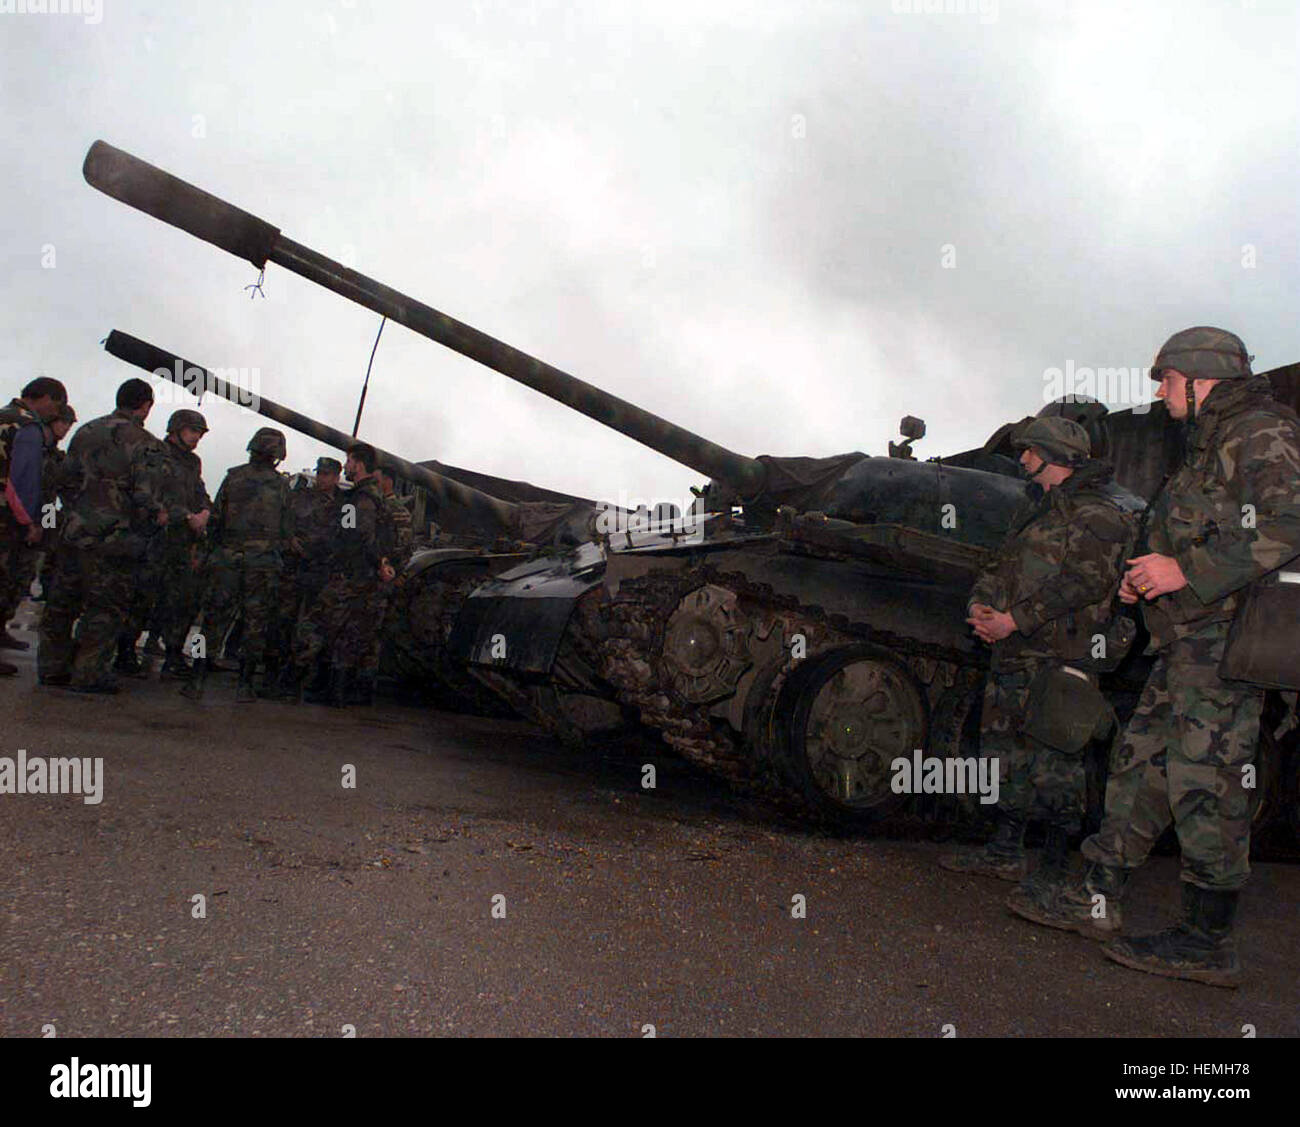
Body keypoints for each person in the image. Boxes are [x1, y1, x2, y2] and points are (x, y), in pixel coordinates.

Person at [1010, 327, 1300, 988]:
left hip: (1228, 640)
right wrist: (1144, 576)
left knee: (1208, 780)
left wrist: (1187, 570)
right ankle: (1100, 894)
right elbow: (1191, 530)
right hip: (1188, 640)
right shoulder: (1210, 442)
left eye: (1167, 379)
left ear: (1202, 379)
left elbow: (1290, 520)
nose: (1160, 392)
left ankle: (1207, 938)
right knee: (1139, 763)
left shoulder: (1260, 432)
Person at [940, 416, 1136, 906]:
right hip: (1015, 651)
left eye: (1030, 451)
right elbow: (997, 565)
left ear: (1055, 456)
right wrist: (980, 607)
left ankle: (1054, 869)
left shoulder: (1100, 516)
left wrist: (1017, 619)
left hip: (1061, 654)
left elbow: (1085, 583)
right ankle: (1006, 850)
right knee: (1005, 750)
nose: (1022, 459)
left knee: (1057, 761)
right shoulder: (1036, 510)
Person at [37, 379, 167, 692]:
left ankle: (52, 669)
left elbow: (63, 478)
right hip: (115, 539)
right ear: (146, 406)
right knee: (104, 609)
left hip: (74, 532)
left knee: (61, 603)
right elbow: (146, 498)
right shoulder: (147, 444)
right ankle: (89, 673)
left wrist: (77, 511)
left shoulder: (85, 432)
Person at [281, 443, 393, 705]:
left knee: (313, 626)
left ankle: (289, 685)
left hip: (348, 574)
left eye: (350, 461)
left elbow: (355, 535)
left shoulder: (359, 499)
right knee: (348, 636)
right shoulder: (372, 497)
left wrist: (333, 556)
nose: (347, 467)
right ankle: (336, 693)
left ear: (359, 463)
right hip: (362, 575)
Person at [187, 427, 293, 702]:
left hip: (228, 558)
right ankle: (244, 685)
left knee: (211, 622)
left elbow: (217, 518)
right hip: (263, 562)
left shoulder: (234, 477)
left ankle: (196, 678)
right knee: (255, 625)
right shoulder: (281, 486)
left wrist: (212, 552)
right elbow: (287, 527)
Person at [1, 385, 71, 665]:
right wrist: (30, 523)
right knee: (8, 575)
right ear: (45, 401)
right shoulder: (27, 427)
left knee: (19, 577)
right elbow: (24, 482)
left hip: (36, 517)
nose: (63, 426)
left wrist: (48, 527)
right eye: (59, 417)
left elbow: (52, 497)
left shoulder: (6, 418)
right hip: (14, 517)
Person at [149, 410, 212, 680]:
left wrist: (205, 513)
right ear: (177, 429)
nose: (196, 437)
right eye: (192, 430)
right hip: (157, 537)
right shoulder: (157, 454)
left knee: (182, 600)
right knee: (145, 596)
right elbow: (151, 493)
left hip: (183, 542)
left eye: (199, 432)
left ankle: (173, 653)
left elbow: (200, 494)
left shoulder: (192, 462)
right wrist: (184, 516)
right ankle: (126, 649)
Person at [268, 456, 342, 683]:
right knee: (283, 620)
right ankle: (274, 672)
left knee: (313, 626)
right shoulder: (300, 498)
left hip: (322, 570)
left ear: (336, 477)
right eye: (320, 473)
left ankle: (299, 674)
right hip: (294, 567)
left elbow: (350, 535)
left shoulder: (345, 505)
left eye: (327, 474)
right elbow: (283, 522)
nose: (322, 478)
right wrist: (290, 540)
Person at [352, 462, 414, 704]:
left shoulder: (397, 511)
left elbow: (404, 549)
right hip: (362, 575)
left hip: (380, 579)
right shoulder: (371, 505)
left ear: (388, 481)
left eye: (376, 478)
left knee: (371, 634)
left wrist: (388, 570)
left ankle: (363, 687)